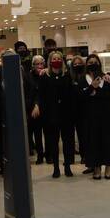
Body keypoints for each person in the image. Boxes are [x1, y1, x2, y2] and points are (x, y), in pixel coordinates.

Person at [31, 49, 78, 178]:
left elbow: (72, 95)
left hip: (66, 114)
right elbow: (40, 94)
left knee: (67, 142)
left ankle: (67, 166)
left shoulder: (67, 76)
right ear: (50, 61)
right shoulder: (44, 76)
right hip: (50, 114)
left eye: (59, 59)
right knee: (53, 142)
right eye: (54, 59)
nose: (56, 61)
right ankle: (56, 167)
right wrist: (37, 106)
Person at [79, 59, 110, 180]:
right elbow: (82, 96)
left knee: (108, 139)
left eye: (94, 61)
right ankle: (96, 167)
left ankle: (108, 167)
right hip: (90, 115)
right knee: (93, 141)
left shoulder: (105, 77)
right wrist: (92, 88)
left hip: (106, 114)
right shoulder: (83, 79)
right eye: (90, 62)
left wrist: (95, 93)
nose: (92, 64)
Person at [28, 54, 47, 163]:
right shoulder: (29, 76)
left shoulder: (47, 74)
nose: (39, 66)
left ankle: (48, 155)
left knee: (48, 133)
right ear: (33, 65)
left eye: (41, 63)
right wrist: (35, 105)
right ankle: (40, 155)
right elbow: (32, 92)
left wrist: (38, 104)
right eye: (37, 64)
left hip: (46, 108)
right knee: (37, 134)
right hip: (34, 109)